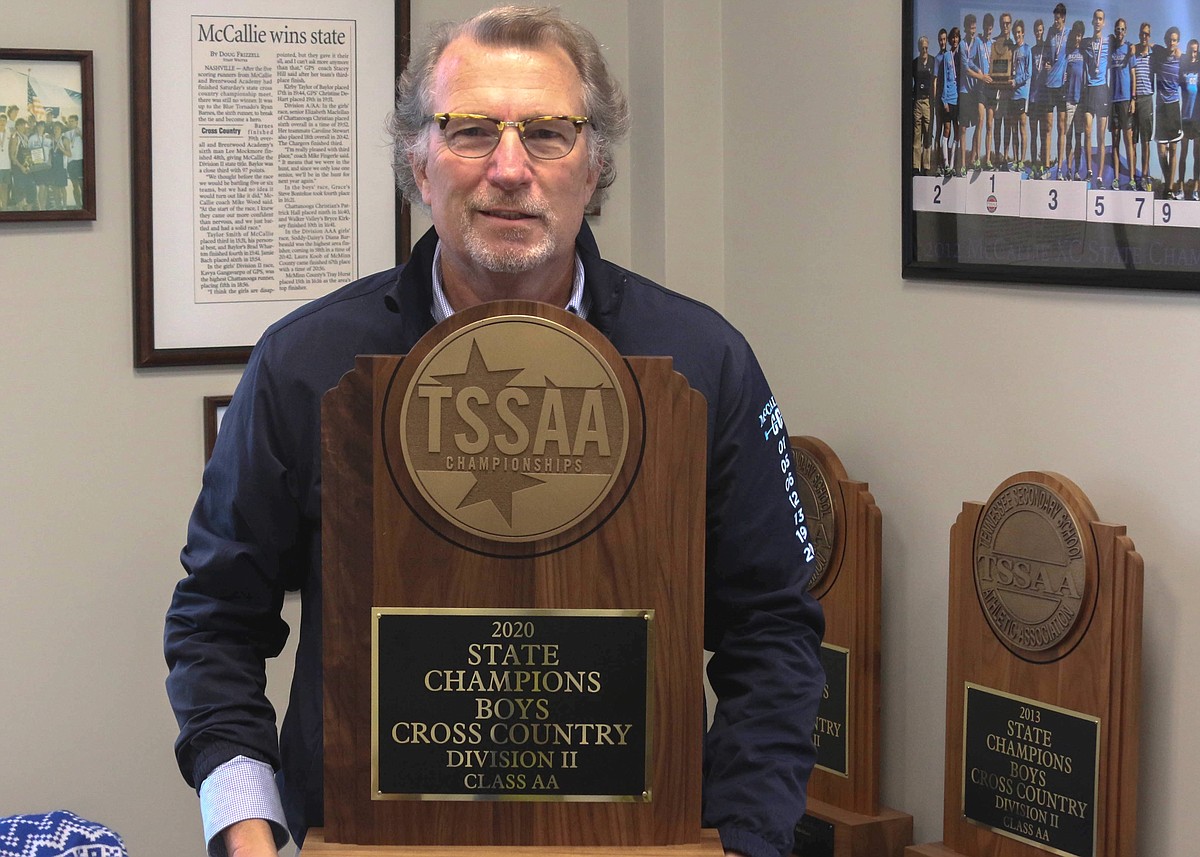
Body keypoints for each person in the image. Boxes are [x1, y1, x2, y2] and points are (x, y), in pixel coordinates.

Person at [164, 7, 826, 857]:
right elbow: (216, 617)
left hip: (638, 841)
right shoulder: (305, 365)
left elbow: (772, 631)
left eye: (548, 133)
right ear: (418, 160)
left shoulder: (704, 363)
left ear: (595, 164)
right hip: (368, 843)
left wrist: (745, 839)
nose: (509, 169)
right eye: (471, 130)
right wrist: (246, 830)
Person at [1153, 26, 1184, 199]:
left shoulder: (1181, 59)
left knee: (1173, 149)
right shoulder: (1159, 53)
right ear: (1165, 40)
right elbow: (1149, 45)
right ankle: (1167, 181)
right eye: (1169, 40)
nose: (1172, 43)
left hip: (1173, 106)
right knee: (1161, 150)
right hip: (1160, 107)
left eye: (1174, 40)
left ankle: (1169, 188)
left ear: (1177, 42)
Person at [1081, 8, 1110, 187]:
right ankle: (1089, 170)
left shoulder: (1109, 43)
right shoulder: (1086, 43)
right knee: (1087, 131)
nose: (1098, 21)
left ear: (1103, 22)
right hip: (1089, 90)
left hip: (1102, 90)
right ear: (1092, 21)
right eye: (1096, 19)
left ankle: (1099, 176)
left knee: (1101, 136)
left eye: (1100, 19)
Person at [1044, 4, 1071, 178]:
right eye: (1055, 18)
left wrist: (1069, 70)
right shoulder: (1050, 33)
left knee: (1062, 127)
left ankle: (1060, 168)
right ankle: (1047, 167)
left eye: (1059, 18)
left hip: (1062, 86)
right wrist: (1047, 63)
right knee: (1048, 126)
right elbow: (1047, 55)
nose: (1056, 21)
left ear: (1064, 18)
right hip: (1049, 84)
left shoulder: (1069, 33)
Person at [1108, 18, 1135, 188]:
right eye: (1117, 29)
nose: (1120, 32)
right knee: (1115, 140)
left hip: (1126, 100)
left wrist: (1133, 98)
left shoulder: (1129, 49)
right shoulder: (1111, 50)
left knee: (1128, 139)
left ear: (1126, 31)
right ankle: (1116, 178)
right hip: (1113, 101)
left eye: (1122, 29)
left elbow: (1133, 74)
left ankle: (1131, 178)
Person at [1131, 22, 1155, 190]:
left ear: (1149, 36)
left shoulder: (1153, 56)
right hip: (1134, 99)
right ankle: (1133, 176)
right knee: (1133, 139)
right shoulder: (1134, 52)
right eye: (1142, 34)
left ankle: (1145, 175)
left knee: (1145, 140)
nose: (1144, 36)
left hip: (1147, 99)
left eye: (1147, 34)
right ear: (1139, 34)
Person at [937, 27, 960, 175]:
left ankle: (952, 165)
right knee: (947, 129)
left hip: (959, 99)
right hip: (948, 98)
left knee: (957, 132)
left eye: (957, 37)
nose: (954, 40)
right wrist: (944, 100)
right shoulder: (946, 56)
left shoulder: (962, 55)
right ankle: (945, 164)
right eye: (953, 38)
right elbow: (944, 79)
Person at [1180, 39, 1200, 200]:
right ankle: (1180, 188)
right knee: (1183, 154)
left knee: (1197, 155)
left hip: (1197, 118)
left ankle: (1195, 189)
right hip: (1184, 117)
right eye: (1190, 51)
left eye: (1195, 51)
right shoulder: (1183, 68)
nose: (1193, 54)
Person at [913, 35, 935, 175]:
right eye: (922, 48)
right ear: (919, 48)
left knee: (927, 133)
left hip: (927, 101)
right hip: (917, 101)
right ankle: (915, 166)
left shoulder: (932, 61)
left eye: (926, 48)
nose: (924, 50)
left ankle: (926, 166)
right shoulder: (914, 63)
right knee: (917, 134)